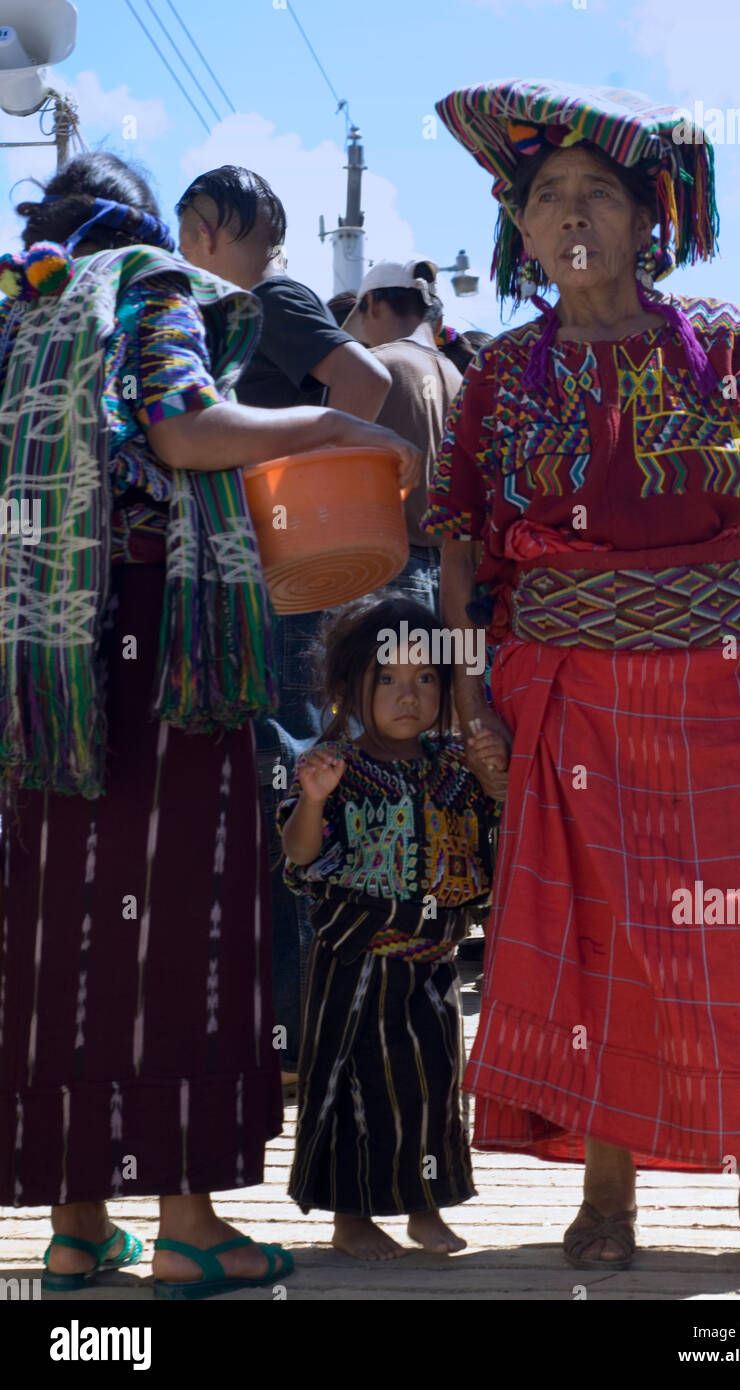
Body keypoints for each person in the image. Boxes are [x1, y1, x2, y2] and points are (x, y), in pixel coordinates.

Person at [0, 151, 420, 1299]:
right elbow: (184, 428)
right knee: (181, 912)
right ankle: (188, 1221)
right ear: (149, 221)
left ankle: (76, 1226)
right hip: (157, 642)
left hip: (45, 666)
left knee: (62, 934)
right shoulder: (148, 280)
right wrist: (324, 436)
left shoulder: (23, 309)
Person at [424, 79, 740, 1269]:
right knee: (589, 938)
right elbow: (455, 538)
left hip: (711, 681)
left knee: (725, 934)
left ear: (648, 216)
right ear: (523, 231)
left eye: (597, 189)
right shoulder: (497, 376)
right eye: (547, 196)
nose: (571, 211)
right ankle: (604, 1195)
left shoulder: (728, 344)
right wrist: (460, 683)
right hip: (560, 687)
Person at [176, 166, 393, 1100]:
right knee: (260, 782)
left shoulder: (268, 296)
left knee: (288, 771)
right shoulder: (201, 316)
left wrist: (288, 458)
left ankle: (299, 1030)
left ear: (209, 230)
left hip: (279, 576)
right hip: (242, 576)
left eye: (201, 229)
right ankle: (277, 1022)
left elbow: (364, 382)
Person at [277, 595, 507, 1259]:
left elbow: (498, 829)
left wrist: (497, 773)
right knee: (352, 1084)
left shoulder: (455, 773)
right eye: (387, 680)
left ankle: (424, 1205)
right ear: (351, 690)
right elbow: (297, 855)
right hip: (356, 957)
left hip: (435, 958)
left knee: (431, 1085)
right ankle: (350, 1218)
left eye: (425, 679)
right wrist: (313, 800)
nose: (408, 696)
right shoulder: (335, 770)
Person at [343, 261, 464, 617]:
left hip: (390, 573)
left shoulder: (376, 367)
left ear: (374, 305)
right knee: (455, 672)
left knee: (380, 673)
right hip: (456, 577)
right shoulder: (462, 378)